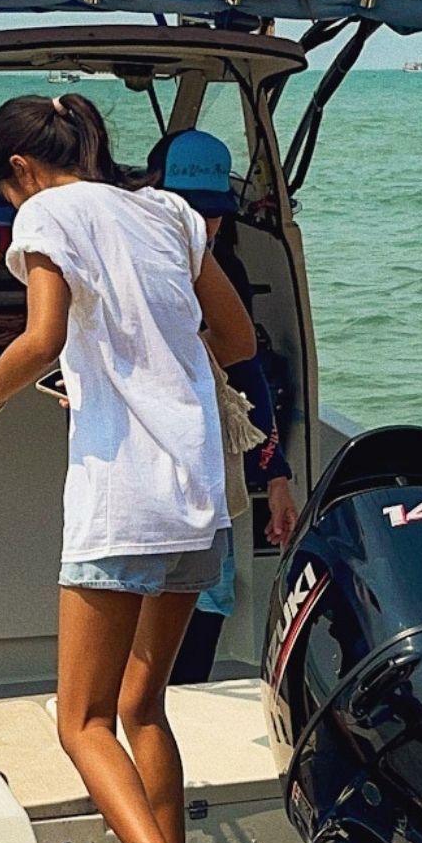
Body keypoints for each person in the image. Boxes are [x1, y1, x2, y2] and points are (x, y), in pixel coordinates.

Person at [0, 93, 255, 843]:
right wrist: (130, 365)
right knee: (143, 705)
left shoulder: (46, 212)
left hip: (120, 506)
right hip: (199, 503)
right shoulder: (169, 210)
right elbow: (235, 340)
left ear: (21, 173)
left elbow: (40, 336)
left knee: (79, 720)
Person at [143, 129, 300, 685]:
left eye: (214, 213)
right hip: (139, 491)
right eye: (189, 210)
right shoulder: (127, 267)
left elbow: (247, 375)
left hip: (208, 482)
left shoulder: (222, 272)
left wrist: (276, 478)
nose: (203, 225)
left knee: (200, 621)